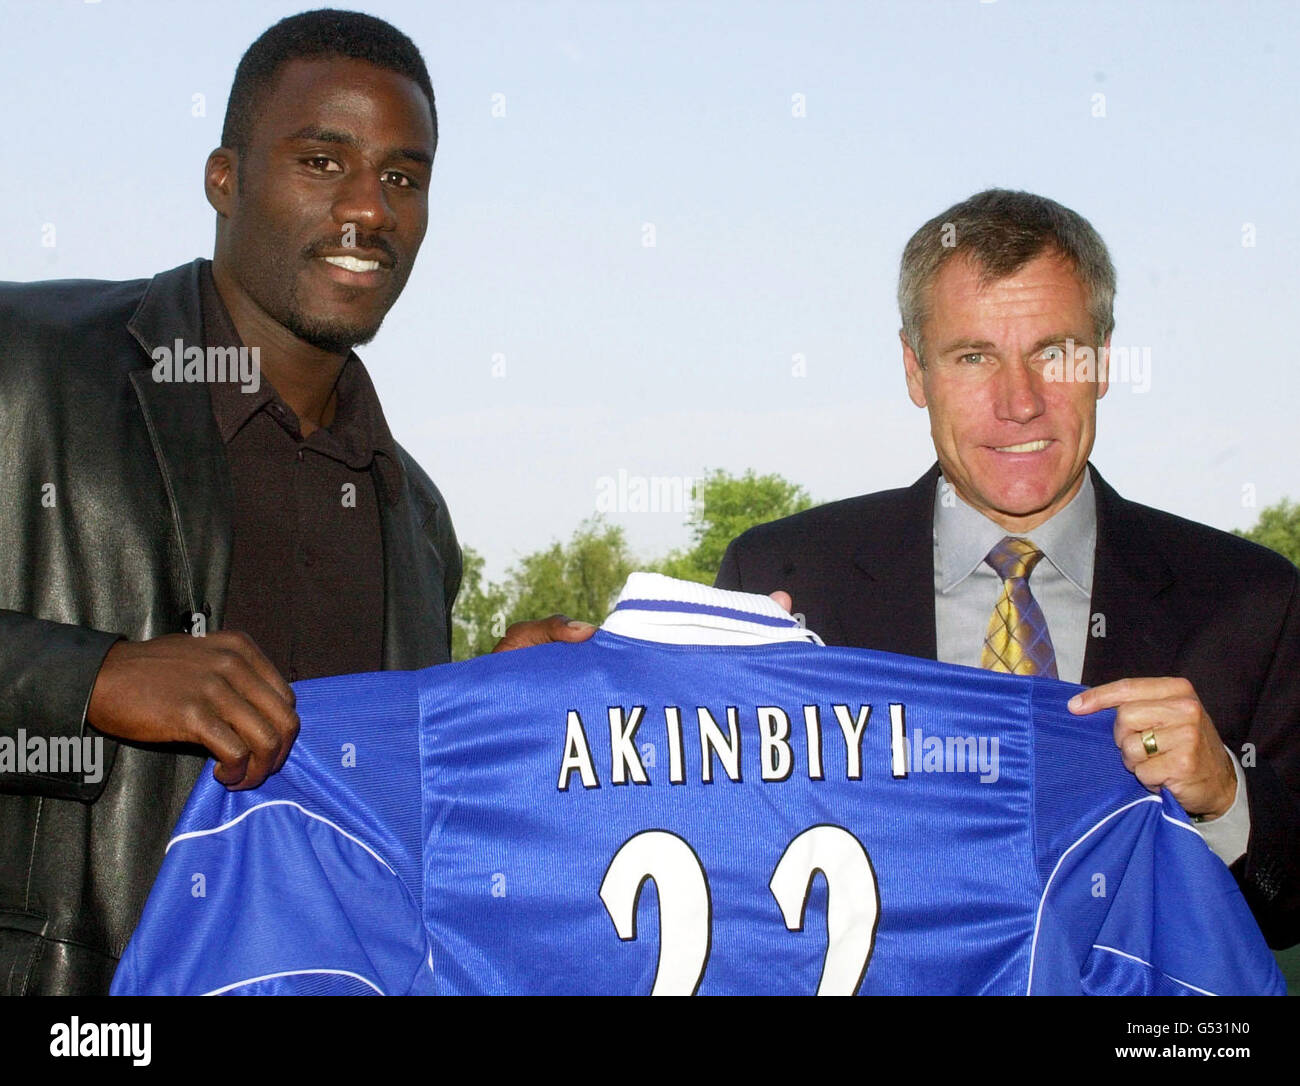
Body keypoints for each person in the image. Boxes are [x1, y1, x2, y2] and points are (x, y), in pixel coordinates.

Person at [0, 9, 588, 996]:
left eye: (403, 177)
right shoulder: (25, 361)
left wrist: (478, 718)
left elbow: (370, 832)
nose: (369, 210)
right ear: (224, 177)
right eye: (322, 162)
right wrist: (94, 678)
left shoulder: (416, 524)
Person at [715, 188, 1300, 948]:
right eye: (973, 356)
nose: (1019, 402)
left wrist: (1225, 802)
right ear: (915, 370)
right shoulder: (783, 580)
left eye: (1052, 354)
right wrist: (539, 694)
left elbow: (1286, 914)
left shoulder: (1253, 599)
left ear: (1103, 362)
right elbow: (709, 860)